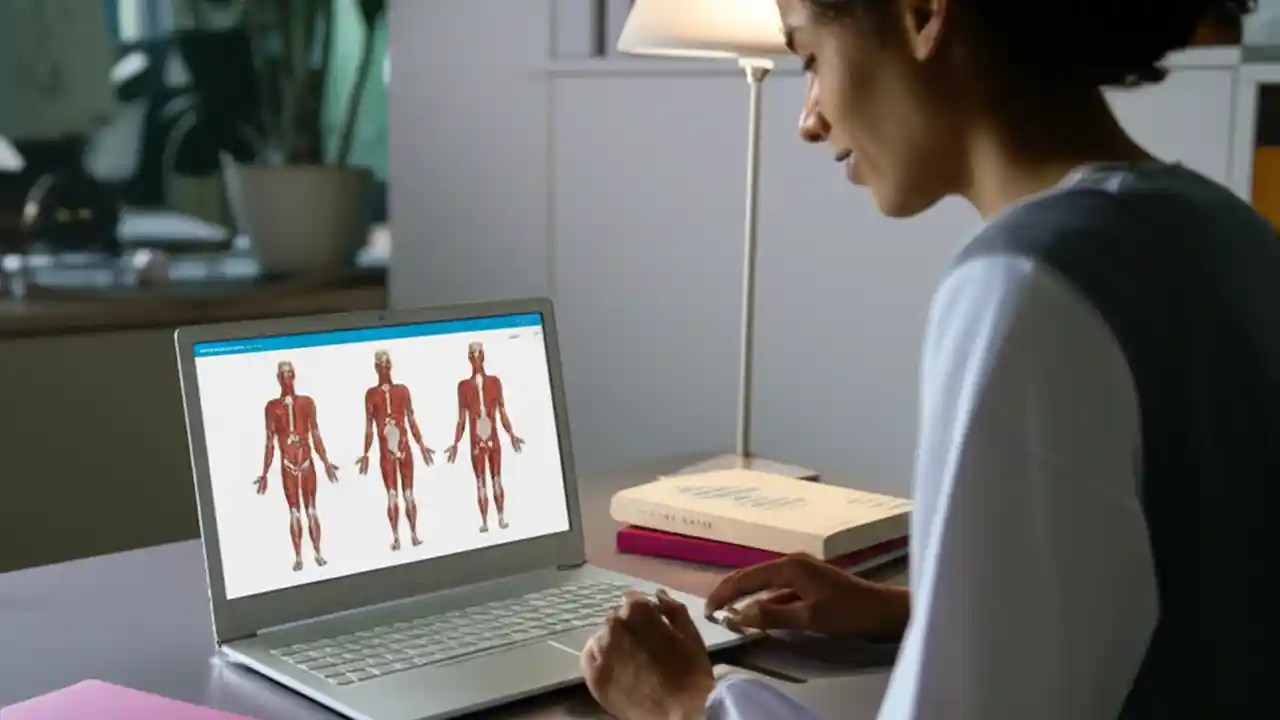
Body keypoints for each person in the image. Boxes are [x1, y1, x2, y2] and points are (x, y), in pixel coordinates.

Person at [580, 1, 1275, 718]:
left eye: (811, 58)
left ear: (921, 13)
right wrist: (920, 611)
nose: (809, 119)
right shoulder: (1228, 231)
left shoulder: (1026, 283)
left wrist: (687, 702)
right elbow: (1198, 593)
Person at [254, 360, 341, 572]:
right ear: (278, 378)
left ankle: (318, 553)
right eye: (283, 374)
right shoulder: (272, 407)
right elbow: (270, 442)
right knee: (294, 513)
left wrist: (326, 462)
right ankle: (299, 557)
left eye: (289, 373)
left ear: (294, 376)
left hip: (306, 463)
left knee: (311, 510)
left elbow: (315, 434)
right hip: (288, 466)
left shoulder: (307, 403)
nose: (286, 378)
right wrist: (265, 473)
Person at [356, 350, 435, 551]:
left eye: (386, 364)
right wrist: (365, 453)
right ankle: (397, 537)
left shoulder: (402, 391)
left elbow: (411, 419)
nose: (384, 368)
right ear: (376, 367)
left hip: (403, 447)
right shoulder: (372, 395)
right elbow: (369, 427)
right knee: (393, 495)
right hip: (387, 452)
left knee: (408, 493)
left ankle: (413, 534)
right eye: (381, 365)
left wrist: (422, 445)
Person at [444, 341, 526, 532]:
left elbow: (502, 411)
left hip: (493, 438)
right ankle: (485, 521)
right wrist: (456, 442)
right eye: (472, 355)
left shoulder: (494, 382)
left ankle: (500, 517)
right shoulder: (463, 387)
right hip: (476, 442)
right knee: (480, 482)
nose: (475, 358)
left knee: (496, 478)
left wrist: (511, 433)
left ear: (483, 356)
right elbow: (461, 419)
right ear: (468, 358)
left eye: (478, 354)